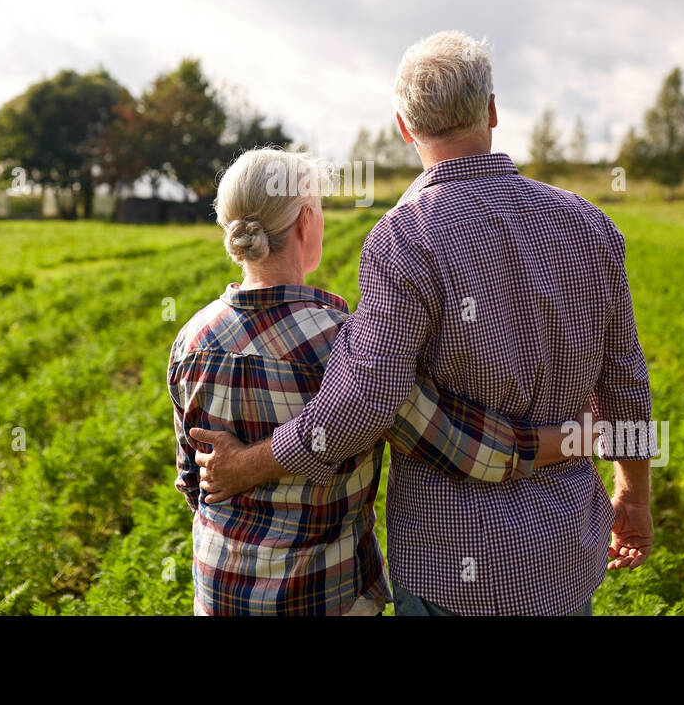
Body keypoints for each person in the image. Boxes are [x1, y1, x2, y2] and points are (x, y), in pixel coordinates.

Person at [195, 31, 656, 616]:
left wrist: (243, 466)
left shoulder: (403, 239)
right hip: (566, 553)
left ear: (404, 127)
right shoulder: (589, 225)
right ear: (491, 110)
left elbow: (362, 405)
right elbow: (627, 387)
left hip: (449, 565)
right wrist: (633, 499)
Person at [170, 146, 595, 615]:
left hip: (219, 592)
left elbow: (194, 480)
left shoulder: (191, 338)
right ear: (306, 222)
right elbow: (459, 444)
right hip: (325, 595)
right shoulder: (346, 344)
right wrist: (571, 438)